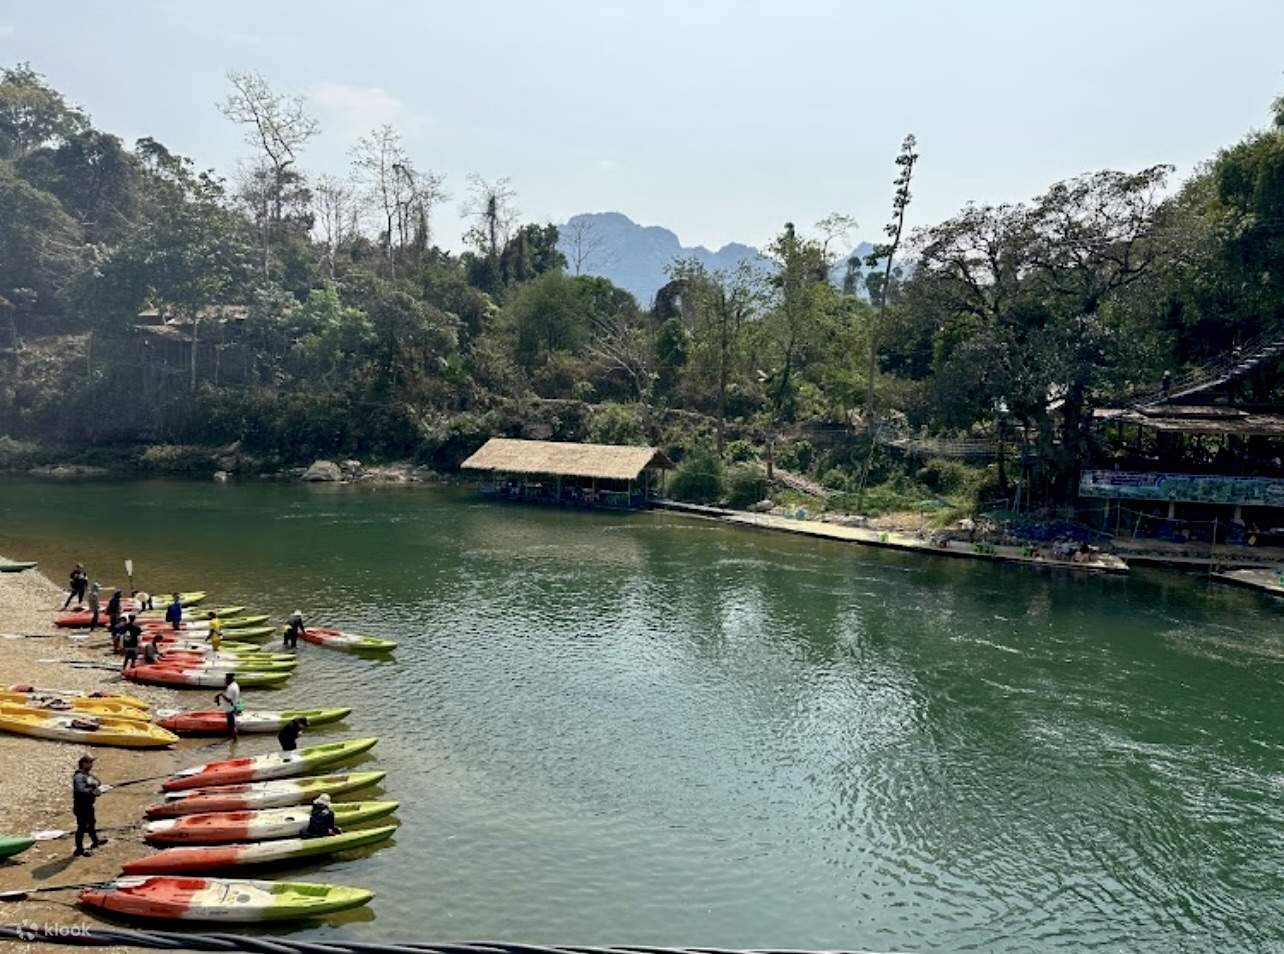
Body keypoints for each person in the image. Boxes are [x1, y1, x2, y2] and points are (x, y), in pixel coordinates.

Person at [72, 753, 110, 857]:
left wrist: (94, 784)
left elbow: (98, 782)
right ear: (84, 764)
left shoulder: (87, 775)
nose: (92, 765)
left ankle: (95, 841)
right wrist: (92, 792)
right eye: (90, 762)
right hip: (81, 807)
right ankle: (79, 849)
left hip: (88, 806)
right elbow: (80, 790)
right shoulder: (79, 777)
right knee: (82, 827)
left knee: (92, 823)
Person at [214, 673, 241, 740]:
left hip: (230, 709)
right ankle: (233, 740)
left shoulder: (231, 688)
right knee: (232, 726)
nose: (225, 680)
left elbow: (229, 700)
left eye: (226, 679)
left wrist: (221, 694)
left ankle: (234, 742)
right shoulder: (235, 684)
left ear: (230, 679)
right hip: (234, 706)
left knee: (232, 727)